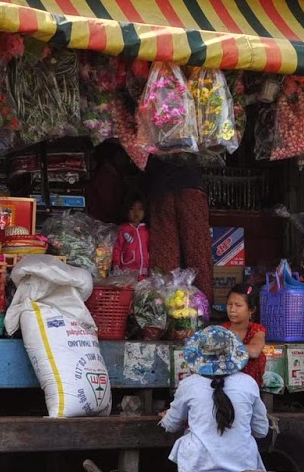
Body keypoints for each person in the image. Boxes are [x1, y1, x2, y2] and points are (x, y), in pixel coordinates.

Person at [161, 326, 270, 472]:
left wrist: (165, 417)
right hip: (244, 465)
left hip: (200, 466)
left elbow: (171, 425)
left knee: (187, 438)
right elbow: (261, 430)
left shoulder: (189, 385)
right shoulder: (248, 383)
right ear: (234, 355)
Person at [144, 153, 214, 303]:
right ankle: (202, 304)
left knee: (166, 251)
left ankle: (165, 305)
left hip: (162, 187)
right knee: (197, 248)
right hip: (187, 186)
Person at [225, 284, 270, 388]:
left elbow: (254, 351)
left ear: (251, 310)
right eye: (229, 304)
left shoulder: (257, 330)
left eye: (238, 305)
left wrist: (224, 347)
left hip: (249, 386)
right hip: (226, 385)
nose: (232, 309)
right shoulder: (223, 329)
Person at [113, 197, 150, 278]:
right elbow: (117, 248)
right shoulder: (123, 229)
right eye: (132, 209)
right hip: (127, 269)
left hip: (143, 270)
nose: (136, 212)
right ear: (126, 211)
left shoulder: (146, 230)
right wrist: (116, 264)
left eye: (140, 209)